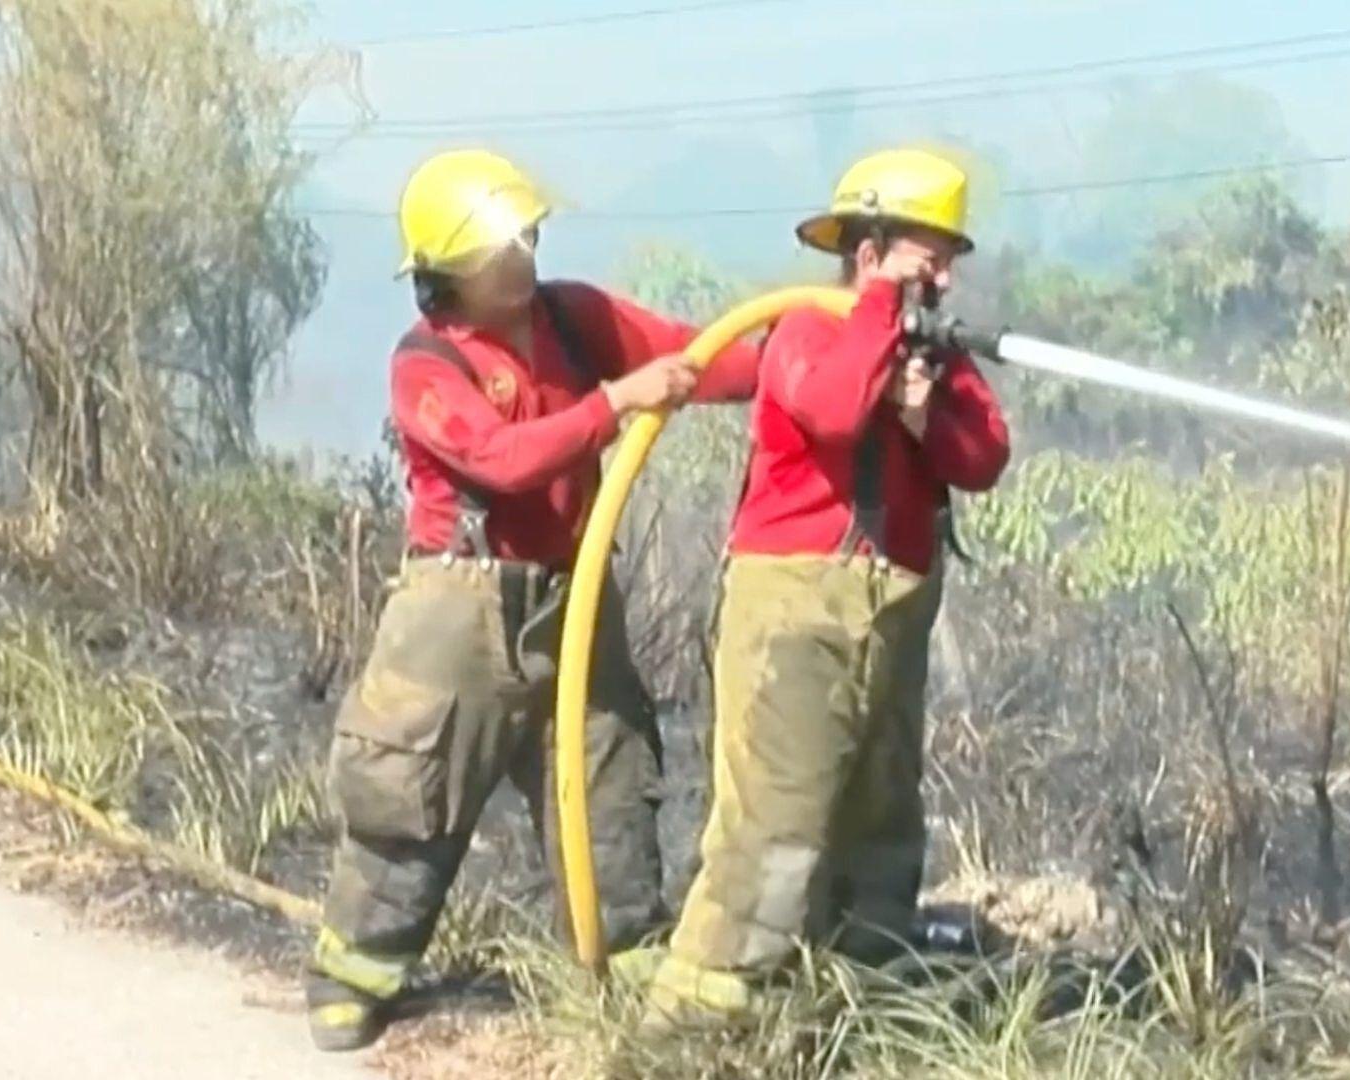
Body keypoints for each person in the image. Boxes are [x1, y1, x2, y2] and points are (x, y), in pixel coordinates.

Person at [306, 149, 763, 1052]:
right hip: (459, 609)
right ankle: (355, 972)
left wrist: (797, 357)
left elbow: (693, 359)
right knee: (413, 788)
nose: (525, 251)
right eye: (501, 242)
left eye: (527, 234)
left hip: (575, 594)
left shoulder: (575, 316)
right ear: (449, 266)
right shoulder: (426, 365)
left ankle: (622, 960)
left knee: (611, 774)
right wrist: (612, 406)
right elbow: (499, 460)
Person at [646, 148, 1011, 1018]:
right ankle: (698, 1016)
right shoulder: (809, 329)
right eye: (930, 258)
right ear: (871, 249)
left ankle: (858, 994)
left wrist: (924, 414)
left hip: (892, 611)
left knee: (879, 819)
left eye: (950, 261)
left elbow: (985, 456)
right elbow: (838, 408)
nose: (947, 281)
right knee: (778, 817)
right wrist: (883, 309)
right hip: (796, 611)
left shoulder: (934, 355)